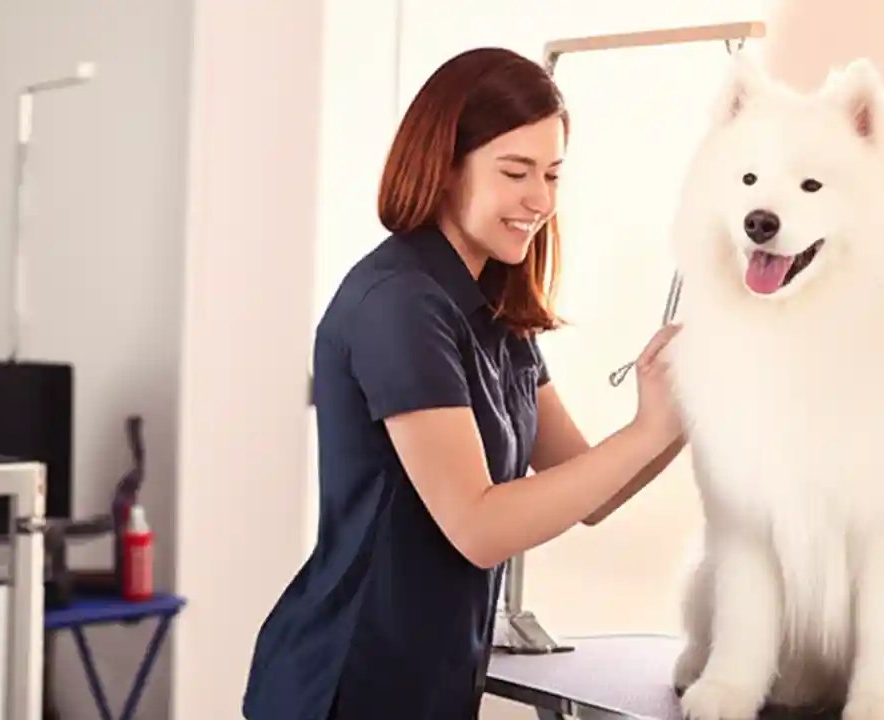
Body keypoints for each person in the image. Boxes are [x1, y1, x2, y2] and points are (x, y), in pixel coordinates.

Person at [242, 46, 687, 720]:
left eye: (553, 174)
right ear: (445, 167)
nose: (540, 200)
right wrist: (648, 430)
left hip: (431, 685)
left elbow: (589, 486)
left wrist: (684, 412)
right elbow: (477, 525)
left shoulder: (497, 308)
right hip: (347, 682)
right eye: (516, 172)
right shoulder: (399, 304)